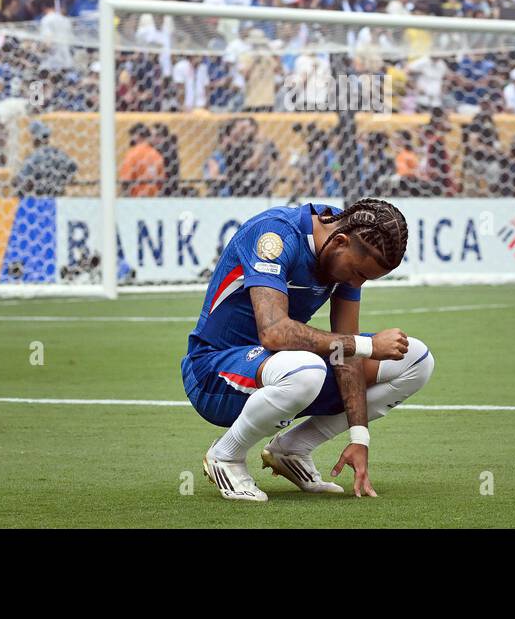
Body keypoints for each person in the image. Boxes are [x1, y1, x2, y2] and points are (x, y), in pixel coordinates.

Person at [184, 199, 430, 502]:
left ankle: (293, 448)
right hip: (213, 372)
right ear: (340, 241)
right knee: (306, 371)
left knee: (416, 359)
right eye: (357, 273)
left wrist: (359, 438)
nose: (356, 283)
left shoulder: (346, 242)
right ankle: (226, 455)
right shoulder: (275, 235)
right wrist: (368, 345)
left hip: (281, 368)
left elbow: (345, 349)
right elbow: (273, 332)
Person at [13, 121, 78, 196]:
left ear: (34, 138)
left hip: (38, 198)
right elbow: (73, 169)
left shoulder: (33, 157)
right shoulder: (59, 153)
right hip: (58, 197)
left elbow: (22, 179)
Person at [118, 124, 166, 197]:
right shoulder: (157, 155)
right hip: (153, 198)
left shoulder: (132, 154)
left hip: (136, 198)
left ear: (137, 136)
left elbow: (126, 180)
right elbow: (161, 182)